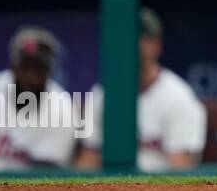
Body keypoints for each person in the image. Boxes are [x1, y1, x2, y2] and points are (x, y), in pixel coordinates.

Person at [75, 9, 207, 171]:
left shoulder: (179, 97)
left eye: (142, 38)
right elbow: (89, 158)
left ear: (157, 46)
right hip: (110, 190)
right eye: (125, 37)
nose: (133, 44)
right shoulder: (101, 92)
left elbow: (180, 169)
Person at [0, 27, 79, 170]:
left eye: (38, 69)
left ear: (49, 71)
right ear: (13, 67)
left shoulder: (62, 108)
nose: (31, 77)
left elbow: (43, 175)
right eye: (25, 67)